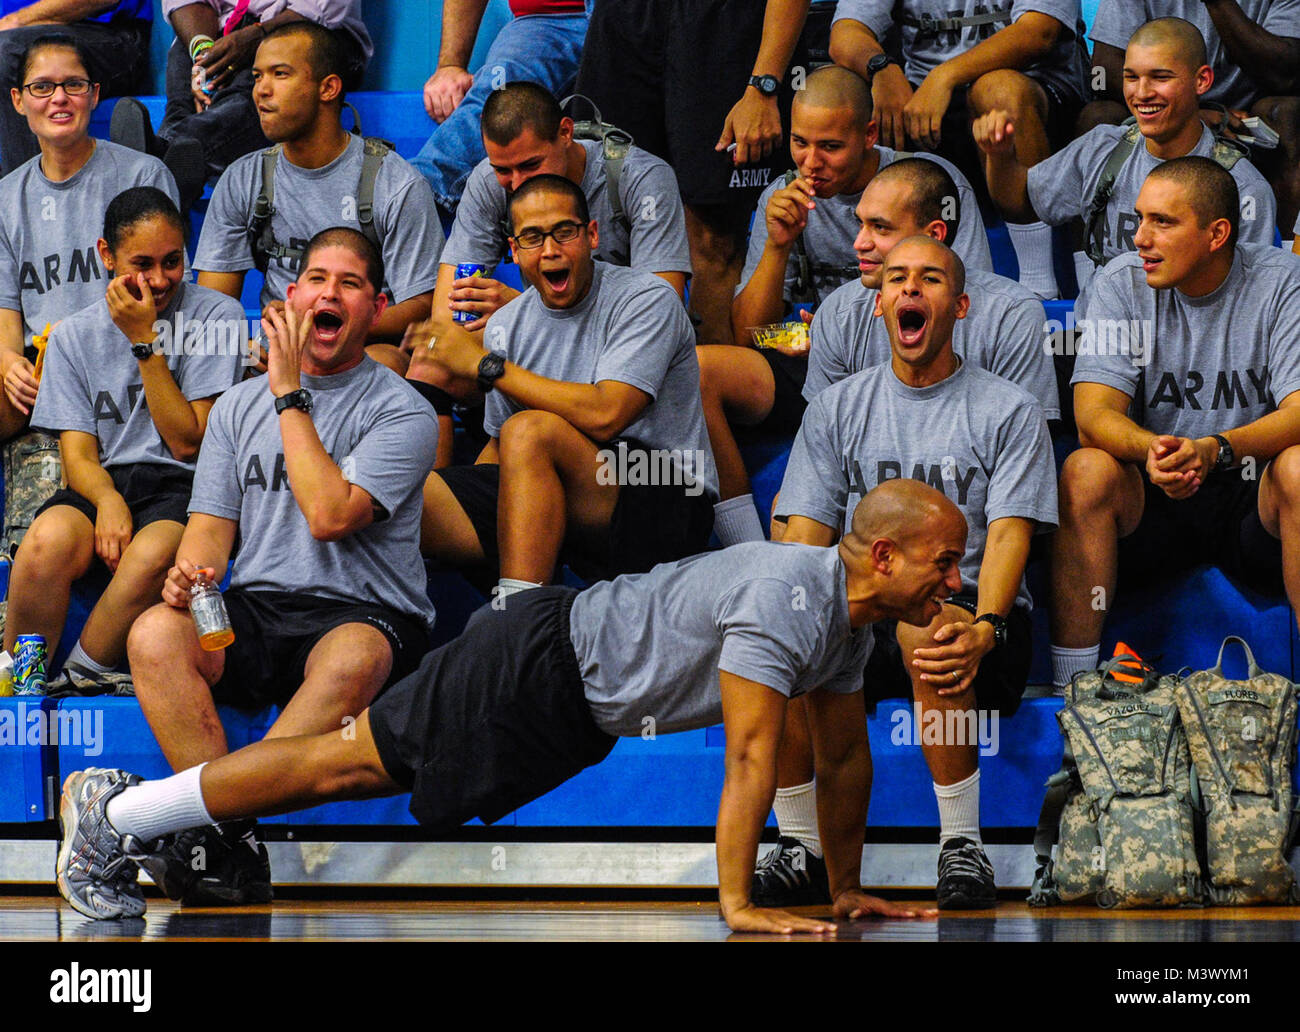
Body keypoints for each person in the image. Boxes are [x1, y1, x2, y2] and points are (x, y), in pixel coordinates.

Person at [58, 479, 965, 933]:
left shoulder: (847, 628)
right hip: (535, 662)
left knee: (339, 770)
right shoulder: (787, 601)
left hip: (571, 708)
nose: (955, 581)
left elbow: (843, 757)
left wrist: (843, 889)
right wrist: (737, 904)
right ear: (882, 559)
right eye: (943, 561)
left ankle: (128, 811)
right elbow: (750, 756)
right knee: (342, 762)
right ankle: (117, 812)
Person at [124, 227, 439, 906]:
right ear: (292, 297)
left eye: (349, 283)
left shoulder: (403, 411)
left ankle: (209, 829)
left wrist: (289, 392)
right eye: (316, 278)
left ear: (377, 306)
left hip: (364, 613)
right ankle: (227, 835)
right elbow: (208, 534)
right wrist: (189, 576)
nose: (330, 292)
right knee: (154, 632)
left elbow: (330, 514)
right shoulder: (237, 408)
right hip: (260, 610)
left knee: (354, 656)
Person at [761, 235, 1057, 910]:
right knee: (781, 632)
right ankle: (801, 846)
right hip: (860, 615)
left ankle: (963, 847)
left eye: (929, 279)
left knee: (934, 633)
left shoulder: (1006, 408)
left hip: (974, 612)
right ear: (880, 304)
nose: (911, 290)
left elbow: (1011, 530)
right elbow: (804, 533)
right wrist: (784, 620)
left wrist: (986, 625)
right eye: (897, 279)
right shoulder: (838, 408)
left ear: (960, 305)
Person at [707, 157, 1054, 548]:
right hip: (869, 511)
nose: (860, 243)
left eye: (880, 228)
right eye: (860, 223)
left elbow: (1025, 461)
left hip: (965, 505)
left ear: (935, 235)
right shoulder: (838, 312)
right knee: (788, 516)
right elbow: (823, 454)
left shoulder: (1013, 314)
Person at [1050, 157, 1300, 692]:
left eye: (1162, 222)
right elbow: (1093, 416)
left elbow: (1299, 412)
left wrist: (1218, 449)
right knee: (1085, 469)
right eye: (1140, 218)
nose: (1140, 238)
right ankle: (1073, 695)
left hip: (1250, 492)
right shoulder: (1121, 284)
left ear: (1217, 234)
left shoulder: (1281, 282)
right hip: (1157, 491)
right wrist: (1155, 451)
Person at [418, 174, 716, 598]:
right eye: (533, 238)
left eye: (564, 232)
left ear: (591, 234)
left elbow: (607, 413)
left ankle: (522, 619)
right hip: (566, 485)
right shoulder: (506, 323)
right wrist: (475, 500)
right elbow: (500, 444)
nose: (551, 250)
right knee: (406, 494)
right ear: (513, 251)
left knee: (531, 432)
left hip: (664, 488)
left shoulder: (646, 299)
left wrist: (486, 365)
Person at [6, 187, 245, 695]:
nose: (159, 280)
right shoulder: (72, 335)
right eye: (142, 263)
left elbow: (188, 442)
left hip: (187, 488)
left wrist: (144, 341)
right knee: (43, 542)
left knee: (154, 550)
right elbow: (77, 454)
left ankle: (77, 675)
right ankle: (22, 688)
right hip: (106, 482)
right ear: (106, 255)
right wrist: (108, 499)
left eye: (173, 261)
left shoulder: (216, 317)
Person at [405, 80, 691, 459]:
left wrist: (523, 310)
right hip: (536, 346)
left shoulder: (639, 178)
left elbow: (663, 309)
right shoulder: (488, 185)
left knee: (529, 427)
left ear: (566, 133)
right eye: (503, 170)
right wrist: (496, 326)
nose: (518, 183)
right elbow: (447, 317)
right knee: (433, 357)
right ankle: (430, 505)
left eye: (530, 164)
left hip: (618, 352)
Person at [190, 21, 442, 371]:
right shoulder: (243, 178)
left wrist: (318, 326)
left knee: (386, 363)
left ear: (328, 88)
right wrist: (244, 348)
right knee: (215, 364)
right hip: (277, 351)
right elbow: (213, 306)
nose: (261, 89)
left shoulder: (395, 182)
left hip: (363, 350)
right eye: (257, 75)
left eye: (279, 74)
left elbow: (422, 305)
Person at [573, 0, 821, 350]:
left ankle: (710, 396)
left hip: (724, 23)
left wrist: (764, 85)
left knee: (712, 237)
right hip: (624, 16)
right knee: (609, 213)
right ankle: (616, 388)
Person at [975, 17, 1276, 299]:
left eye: (1160, 77)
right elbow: (1021, 202)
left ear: (1202, 80)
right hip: (1104, 337)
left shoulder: (1243, 188)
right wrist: (1000, 157)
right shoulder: (1101, 147)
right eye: (1131, 77)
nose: (1141, 93)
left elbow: (1246, 303)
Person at [828, 0, 1089, 293]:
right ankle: (872, 290)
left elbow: (1038, 32)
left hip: (1036, 91)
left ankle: (1040, 284)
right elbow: (845, 33)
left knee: (998, 90)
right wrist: (881, 68)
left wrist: (944, 76)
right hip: (924, 98)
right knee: (866, 107)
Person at [111, 0, 372, 214]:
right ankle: (174, 152)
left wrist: (256, 37)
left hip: (308, 32)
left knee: (263, 77)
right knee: (182, 52)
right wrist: (205, 54)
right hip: (224, 31)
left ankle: (159, 159)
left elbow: (321, 8)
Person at [1084, 0, 1300, 237]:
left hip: (1244, 115)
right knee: (1098, 115)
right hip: (1164, 103)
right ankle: (1085, 266)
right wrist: (1186, 110)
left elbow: (1286, 77)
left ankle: (1286, 265)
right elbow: (1102, 73)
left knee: (1286, 113)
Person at [410, 0, 592, 215]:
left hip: (631, 11)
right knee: (499, 95)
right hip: (549, 18)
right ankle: (406, 199)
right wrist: (450, 65)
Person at [0, 1, 150, 176]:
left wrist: (16, 20)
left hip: (108, 33)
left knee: (6, 53)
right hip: (20, 32)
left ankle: (30, 195)